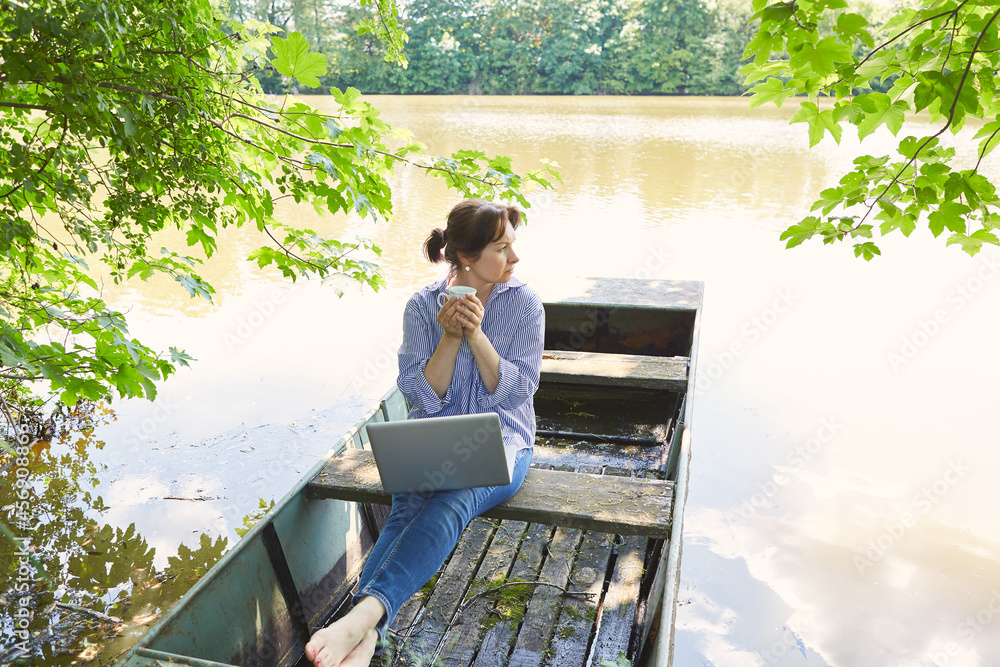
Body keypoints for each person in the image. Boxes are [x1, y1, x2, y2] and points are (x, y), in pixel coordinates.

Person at [305, 199, 545, 667]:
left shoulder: (524, 304)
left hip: (505, 444)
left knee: (452, 501)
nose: (515, 258)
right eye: (502, 248)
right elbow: (421, 396)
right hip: (432, 440)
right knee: (407, 508)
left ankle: (360, 620)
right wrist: (450, 338)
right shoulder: (420, 306)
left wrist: (477, 335)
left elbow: (516, 393)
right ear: (467, 256)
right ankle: (369, 634)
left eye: (513, 246)